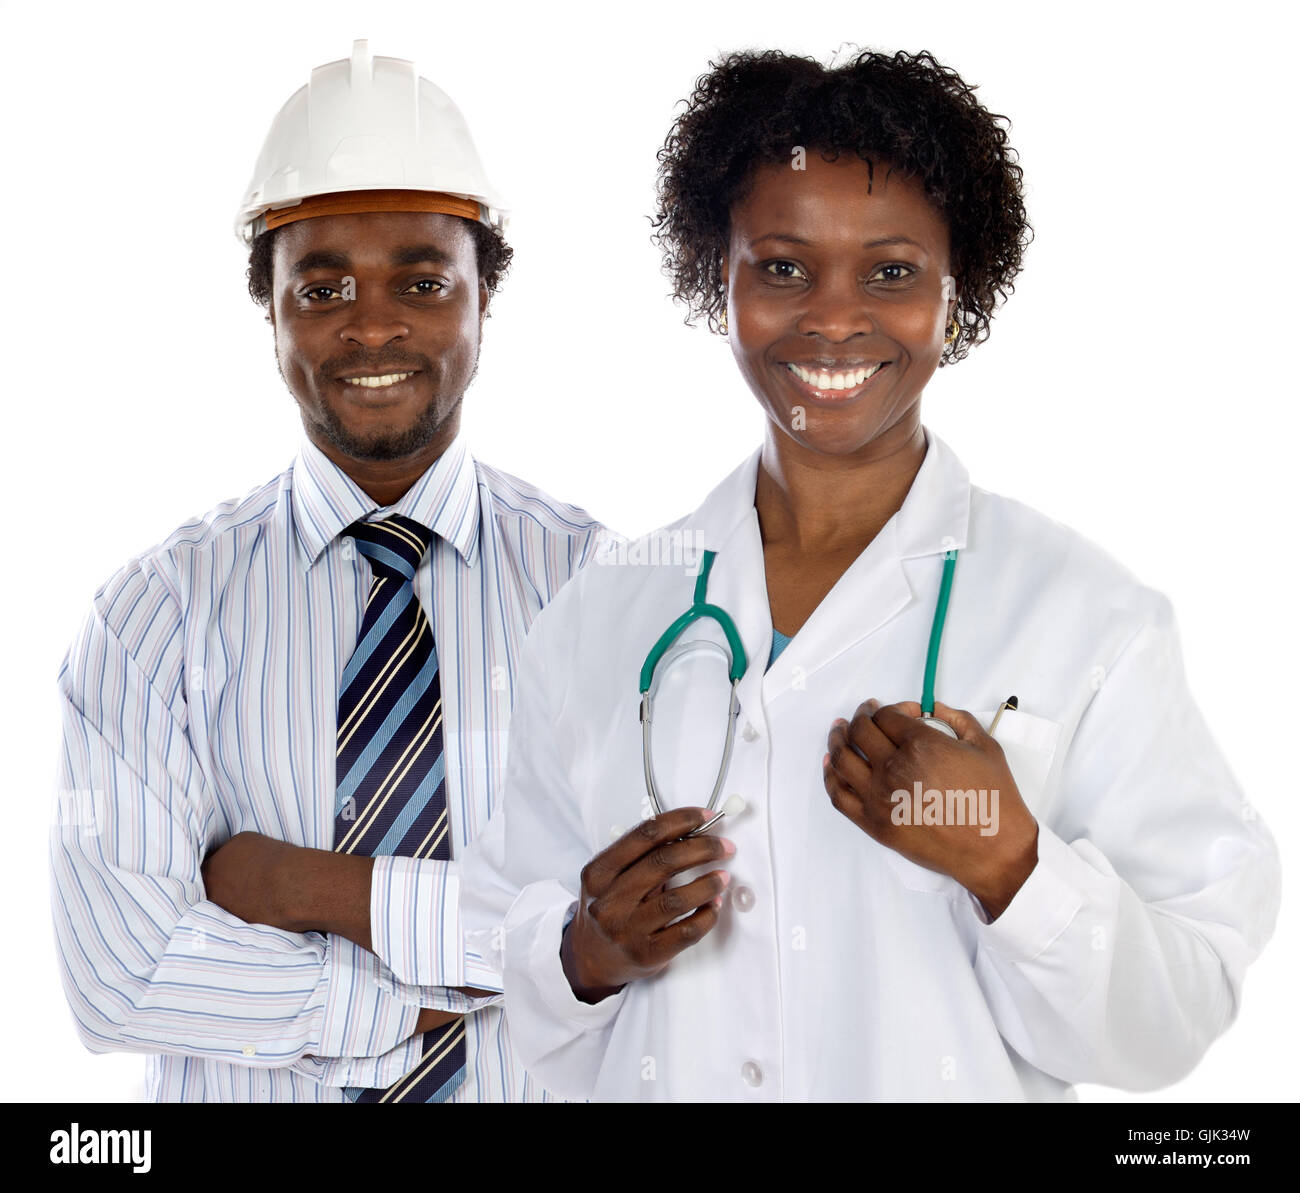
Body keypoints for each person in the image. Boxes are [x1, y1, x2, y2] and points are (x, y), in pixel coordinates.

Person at [462, 47, 1282, 1101]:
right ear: (720, 274)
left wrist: (1009, 864)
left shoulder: (1089, 617)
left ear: (957, 290)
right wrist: (584, 954)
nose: (834, 317)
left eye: (891, 271)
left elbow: (1173, 1018)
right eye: (782, 266)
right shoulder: (596, 618)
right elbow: (509, 952)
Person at [49, 41, 605, 1102]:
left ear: (488, 295)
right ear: (269, 308)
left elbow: (659, 928)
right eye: (322, 285)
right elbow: (117, 976)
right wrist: (421, 996)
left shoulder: (608, 592)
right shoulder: (150, 619)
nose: (373, 323)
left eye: (424, 279)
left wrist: (300, 886)